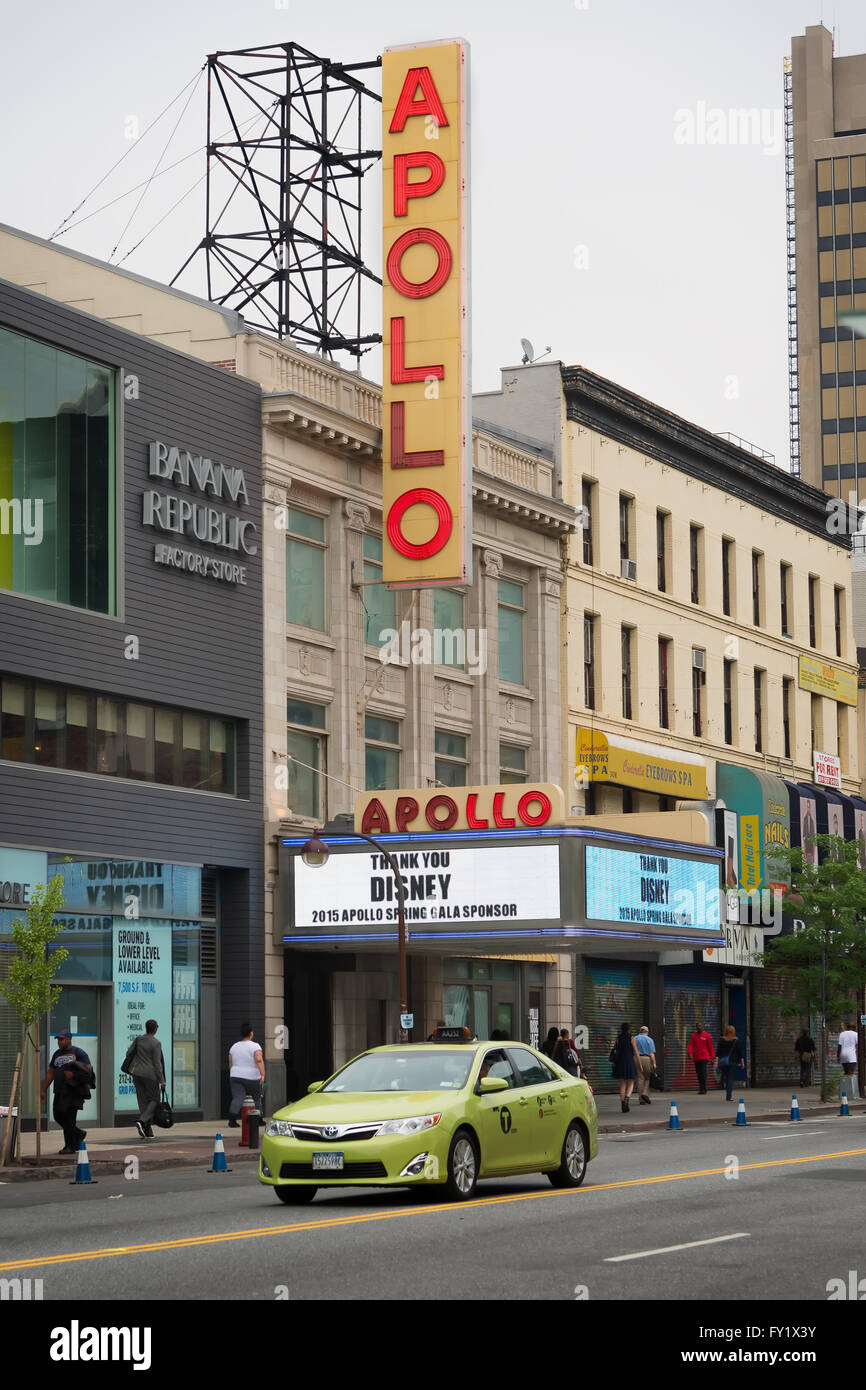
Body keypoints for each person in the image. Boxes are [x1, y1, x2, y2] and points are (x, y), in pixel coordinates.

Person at [40, 1029, 92, 1155]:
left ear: (69, 1039)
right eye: (58, 1040)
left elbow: (88, 1070)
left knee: (69, 1118)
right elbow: (50, 1073)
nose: (59, 1042)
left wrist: (74, 1074)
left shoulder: (78, 1052)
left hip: (73, 1091)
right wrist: (42, 1090)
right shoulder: (57, 1054)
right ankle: (78, 1133)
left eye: (62, 1039)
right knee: (58, 1115)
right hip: (59, 1091)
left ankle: (69, 1146)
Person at [124, 1019, 166, 1140]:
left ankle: (147, 1130)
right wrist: (162, 1080)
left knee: (142, 1101)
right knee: (155, 1099)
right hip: (150, 1075)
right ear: (155, 1029)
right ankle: (142, 1121)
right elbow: (157, 1064)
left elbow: (128, 1053)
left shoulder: (138, 1039)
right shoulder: (156, 1043)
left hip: (136, 1073)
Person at [228, 1023, 265, 1127]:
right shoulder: (255, 1046)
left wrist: (235, 1073)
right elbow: (259, 1060)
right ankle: (259, 1119)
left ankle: (232, 1120)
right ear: (251, 1033)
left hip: (235, 1076)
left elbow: (231, 1062)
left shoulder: (234, 1046)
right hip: (252, 1077)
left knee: (238, 1098)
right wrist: (262, 1074)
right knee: (257, 1098)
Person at [610, 1021, 639, 1112]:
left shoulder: (618, 1038)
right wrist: (640, 1064)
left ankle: (622, 1103)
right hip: (629, 1061)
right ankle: (627, 1099)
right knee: (631, 1082)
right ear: (629, 1029)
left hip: (620, 1062)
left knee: (622, 1084)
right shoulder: (632, 1038)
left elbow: (614, 1049)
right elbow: (636, 1052)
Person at [715, 1025, 743, 1102]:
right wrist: (742, 1063)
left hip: (723, 1063)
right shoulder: (736, 1041)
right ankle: (728, 1096)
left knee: (727, 1078)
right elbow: (740, 1053)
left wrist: (716, 1063)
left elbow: (718, 1053)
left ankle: (727, 1091)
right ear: (733, 1032)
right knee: (730, 1078)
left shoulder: (721, 1040)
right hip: (733, 1062)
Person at [687, 1021, 715, 1094]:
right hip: (696, 1058)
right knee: (699, 1073)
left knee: (703, 1073)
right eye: (697, 1026)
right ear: (696, 1027)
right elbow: (690, 1045)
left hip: (704, 1058)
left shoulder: (707, 1035)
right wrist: (689, 1053)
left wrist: (712, 1058)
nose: (698, 1027)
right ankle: (701, 1088)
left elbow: (711, 1047)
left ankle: (703, 1088)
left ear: (702, 1027)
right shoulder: (694, 1036)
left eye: (700, 1026)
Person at [634, 1025, 657, 1104]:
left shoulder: (634, 1038)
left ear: (640, 1031)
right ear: (647, 1032)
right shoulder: (649, 1039)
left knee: (640, 1078)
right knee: (647, 1077)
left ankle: (641, 1099)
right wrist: (654, 1063)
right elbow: (651, 1053)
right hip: (646, 1058)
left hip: (636, 1059)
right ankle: (645, 1093)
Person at [838, 1021, 858, 1086]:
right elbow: (859, 1045)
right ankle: (850, 1089)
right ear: (854, 1028)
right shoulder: (855, 1034)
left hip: (843, 1055)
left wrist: (838, 1056)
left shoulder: (842, 1034)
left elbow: (839, 1046)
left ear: (847, 1027)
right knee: (851, 1074)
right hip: (851, 1056)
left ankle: (845, 1088)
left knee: (846, 1073)